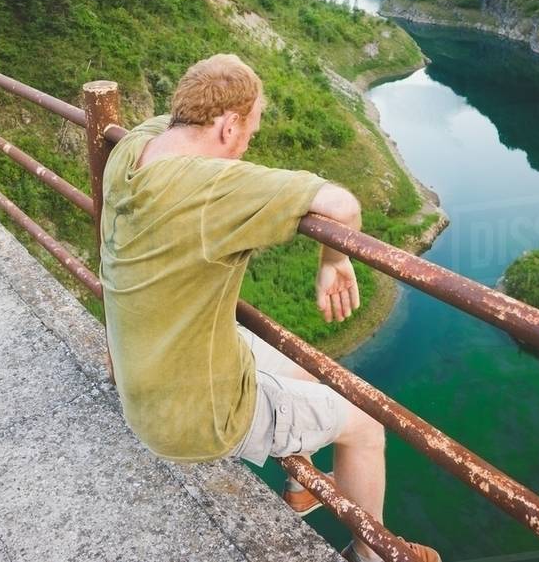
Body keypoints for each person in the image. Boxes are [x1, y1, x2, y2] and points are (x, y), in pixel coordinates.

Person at [100, 54, 440, 562]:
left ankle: (307, 483)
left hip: (147, 381)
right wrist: (334, 259)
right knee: (369, 426)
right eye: (251, 132)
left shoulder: (131, 151)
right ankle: (371, 555)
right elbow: (341, 205)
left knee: (308, 371)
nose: (248, 145)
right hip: (196, 418)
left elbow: (171, 120)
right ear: (229, 125)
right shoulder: (212, 188)